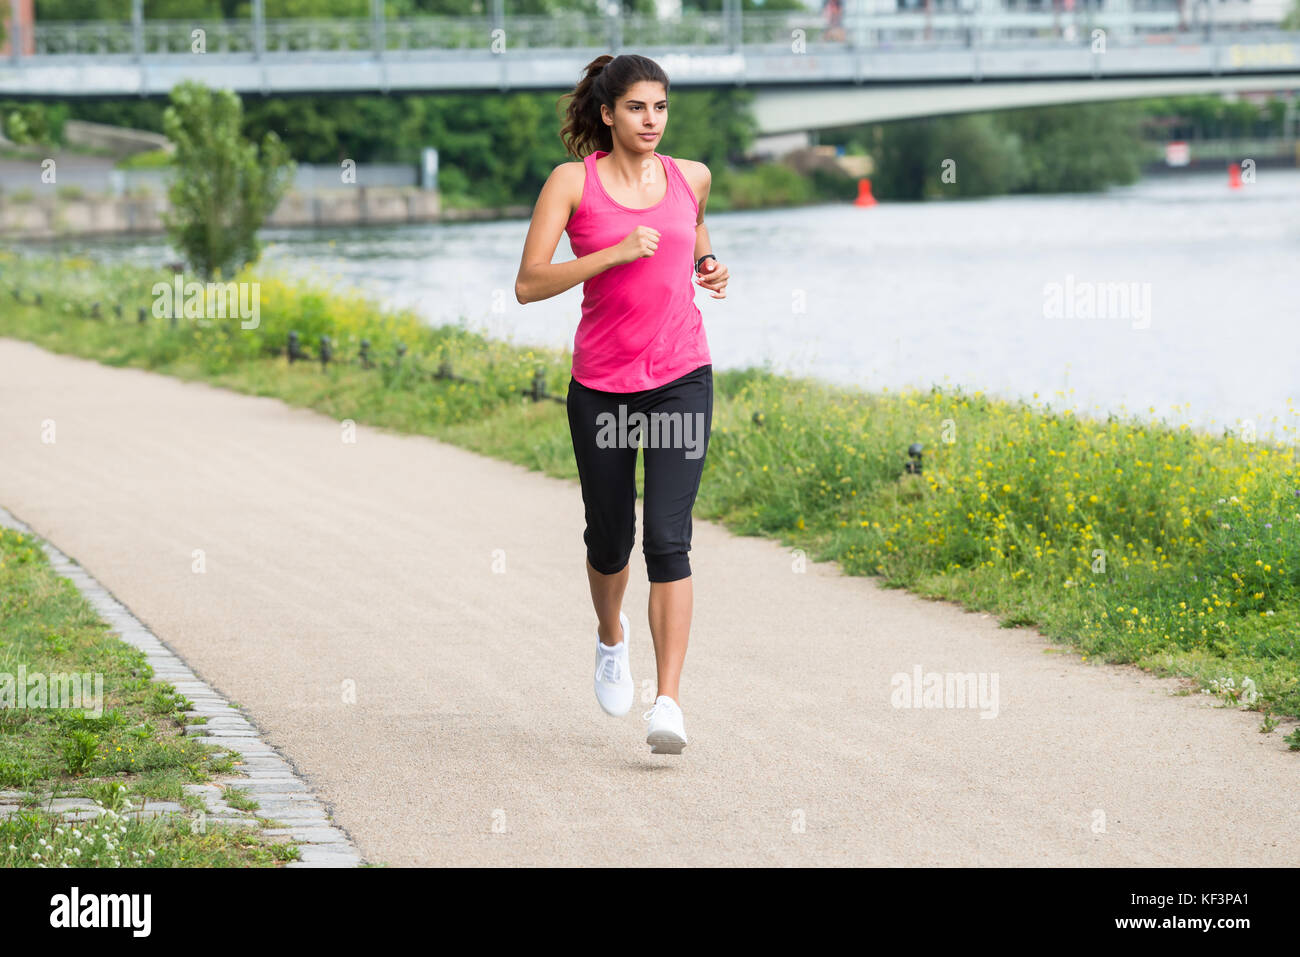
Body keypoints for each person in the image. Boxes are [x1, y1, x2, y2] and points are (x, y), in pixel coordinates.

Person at [514, 53, 729, 755]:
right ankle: (611, 636)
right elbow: (528, 283)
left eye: (660, 108)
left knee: (669, 539)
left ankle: (668, 701)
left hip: (679, 376)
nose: (651, 121)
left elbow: (690, 229)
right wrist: (608, 255)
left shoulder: (689, 176)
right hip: (603, 384)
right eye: (637, 108)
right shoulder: (571, 183)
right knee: (610, 539)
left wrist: (706, 264)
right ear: (608, 113)